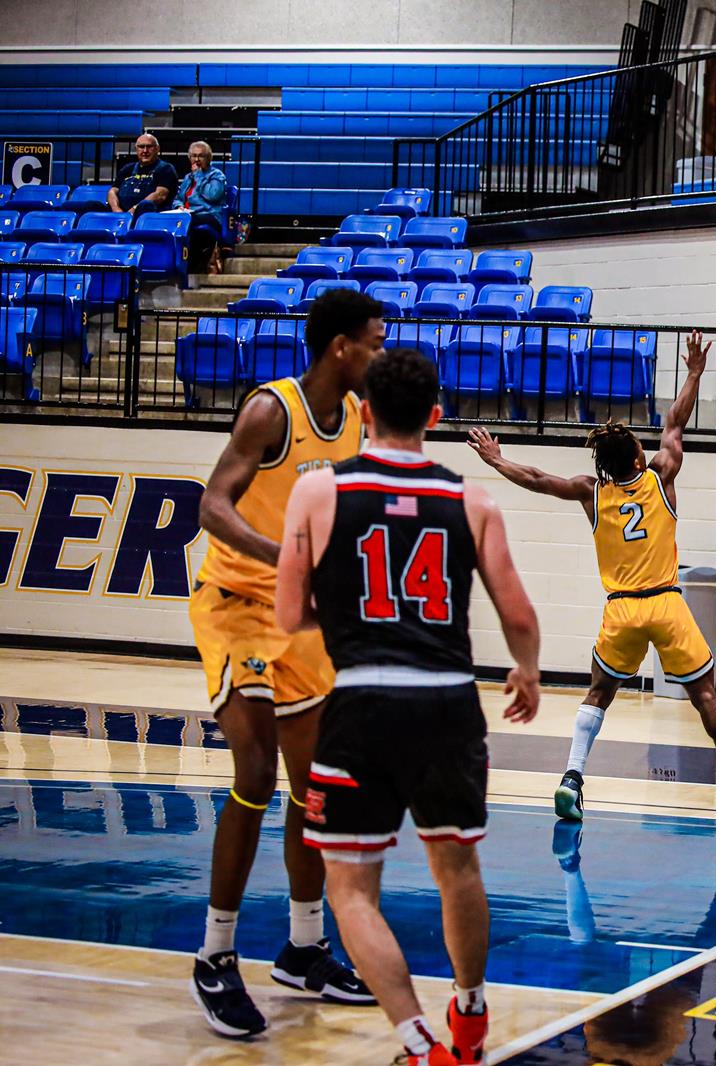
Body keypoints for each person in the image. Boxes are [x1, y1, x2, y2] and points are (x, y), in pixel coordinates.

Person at [277, 346, 542, 1066]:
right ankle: (471, 1011)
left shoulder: (316, 492)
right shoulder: (472, 499)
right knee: (458, 869)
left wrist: (351, 611)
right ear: (434, 415)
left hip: (361, 704)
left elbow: (290, 611)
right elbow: (517, 610)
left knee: (351, 887)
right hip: (449, 705)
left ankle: (417, 1041)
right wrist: (527, 670)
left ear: (363, 411)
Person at [187, 289, 385, 1038]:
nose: (380, 351)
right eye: (373, 340)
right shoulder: (272, 410)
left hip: (300, 617)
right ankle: (214, 956)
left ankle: (304, 949)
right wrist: (286, 557)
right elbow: (213, 504)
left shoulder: (357, 422)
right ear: (340, 346)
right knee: (257, 772)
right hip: (236, 601)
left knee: (313, 787)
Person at [467, 332, 716, 827]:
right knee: (705, 694)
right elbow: (675, 422)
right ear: (640, 459)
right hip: (667, 604)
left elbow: (538, 478)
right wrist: (693, 372)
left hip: (621, 608)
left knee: (599, 694)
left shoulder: (590, 492)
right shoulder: (661, 474)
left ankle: (572, 778)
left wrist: (496, 459)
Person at [176, 141, 230, 275]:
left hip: (210, 216)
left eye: (201, 156)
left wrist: (199, 176)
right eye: (194, 156)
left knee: (189, 226)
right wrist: (179, 206)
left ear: (209, 158)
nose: (197, 160)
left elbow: (213, 195)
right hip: (187, 215)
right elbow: (178, 198)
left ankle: (189, 269)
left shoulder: (216, 175)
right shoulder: (188, 178)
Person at [108, 133, 178, 215]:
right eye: (141, 147)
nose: (145, 151)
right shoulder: (127, 169)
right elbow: (112, 191)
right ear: (136, 149)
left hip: (148, 215)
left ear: (157, 149)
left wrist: (134, 210)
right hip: (120, 213)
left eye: (149, 147)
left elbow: (160, 195)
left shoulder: (166, 168)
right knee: (93, 205)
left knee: (145, 205)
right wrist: (116, 209)